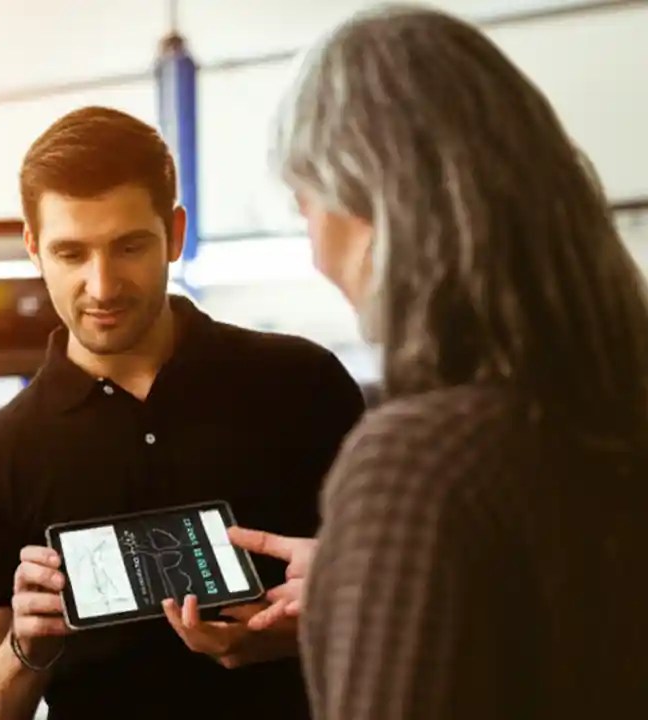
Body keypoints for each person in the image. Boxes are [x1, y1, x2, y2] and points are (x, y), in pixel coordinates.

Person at [228, 5, 648, 718]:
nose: (314, 250)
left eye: (305, 206)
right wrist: (370, 573)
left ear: (361, 198)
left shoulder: (418, 463)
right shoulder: (611, 416)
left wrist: (392, 530)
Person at [0, 106, 365, 719]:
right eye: (71, 253)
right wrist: (23, 646)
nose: (103, 285)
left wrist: (311, 625)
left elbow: (423, 609)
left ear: (175, 232)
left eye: (129, 246)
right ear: (33, 248)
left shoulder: (305, 385)